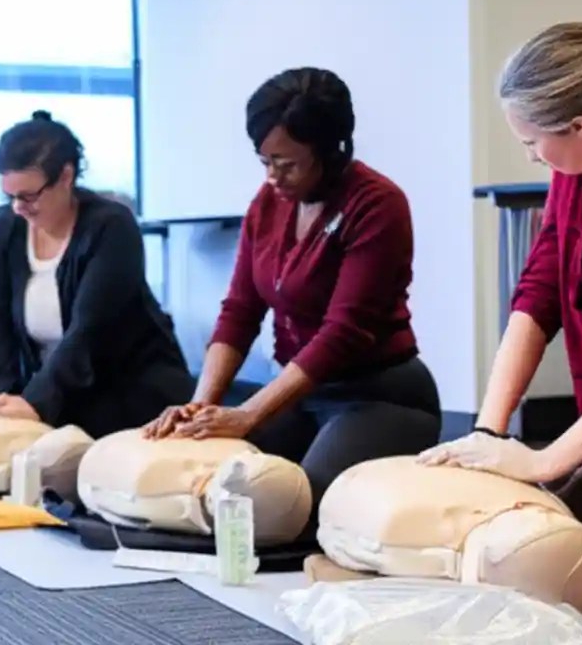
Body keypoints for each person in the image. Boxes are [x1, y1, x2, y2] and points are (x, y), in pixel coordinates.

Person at [418, 21, 582, 617]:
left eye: (532, 142)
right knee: (534, 552)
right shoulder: (580, 173)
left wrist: (543, 461)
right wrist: (488, 433)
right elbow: (538, 294)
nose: (532, 155)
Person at [143, 67, 441, 537]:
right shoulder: (269, 202)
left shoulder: (378, 204)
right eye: (264, 162)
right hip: (297, 396)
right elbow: (239, 311)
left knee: (294, 510)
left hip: (377, 395)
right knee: (215, 489)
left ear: (331, 152)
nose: (273, 177)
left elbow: (342, 334)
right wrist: (201, 406)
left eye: (288, 164)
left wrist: (250, 414)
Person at [0, 110, 195, 437]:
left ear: (66, 177)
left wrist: (34, 403)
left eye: (29, 196)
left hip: (128, 388)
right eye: (10, 196)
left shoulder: (111, 226)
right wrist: (2, 397)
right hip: (58, 388)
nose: (18, 207)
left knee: (62, 451)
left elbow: (89, 332)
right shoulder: (4, 226)